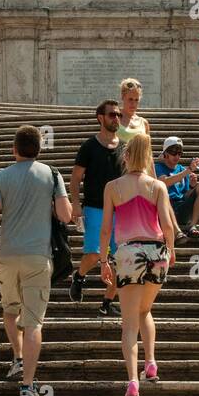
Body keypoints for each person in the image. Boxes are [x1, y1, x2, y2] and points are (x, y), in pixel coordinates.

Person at [0, 125, 72, 396]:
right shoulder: (51, 174)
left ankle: (17, 357)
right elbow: (65, 215)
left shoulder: (0, 176)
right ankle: (27, 386)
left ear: (14, 149)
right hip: (38, 257)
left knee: (9, 310)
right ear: (39, 150)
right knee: (33, 323)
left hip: (6, 256)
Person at [100, 133, 175, 396]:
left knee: (129, 322)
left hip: (129, 252)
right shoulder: (157, 186)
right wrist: (172, 249)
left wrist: (104, 260)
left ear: (126, 155)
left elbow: (106, 227)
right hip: (156, 252)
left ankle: (133, 382)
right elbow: (167, 225)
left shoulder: (113, 187)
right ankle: (151, 363)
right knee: (145, 309)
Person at [68, 99, 123, 316]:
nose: (116, 118)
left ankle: (107, 303)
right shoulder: (89, 146)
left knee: (123, 261)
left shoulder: (124, 147)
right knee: (93, 255)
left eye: (118, 114)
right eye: (112, 114)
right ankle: (79, 276)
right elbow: (75, 179)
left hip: (120, 212)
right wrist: (75, 204)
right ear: (100, 118)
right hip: (94, 208)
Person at [154, 136, 199, 240]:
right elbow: (164, 182)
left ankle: (192, 226)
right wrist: (188, 171)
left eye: (179, 153)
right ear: (165, 153)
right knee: (165, 195)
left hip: (181, 207)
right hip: (165, 209)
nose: (177, 156)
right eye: (173, 152)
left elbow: (184, 192)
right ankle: (176, 231)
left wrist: (192, 185)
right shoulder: (157, 167)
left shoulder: (181, 169)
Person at [117, 77, 150, 143]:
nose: (133, 103)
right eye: (130, 99)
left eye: (136, 100)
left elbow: (148, 149)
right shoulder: (114, 119)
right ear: (123, 97)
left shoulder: (144, 123)